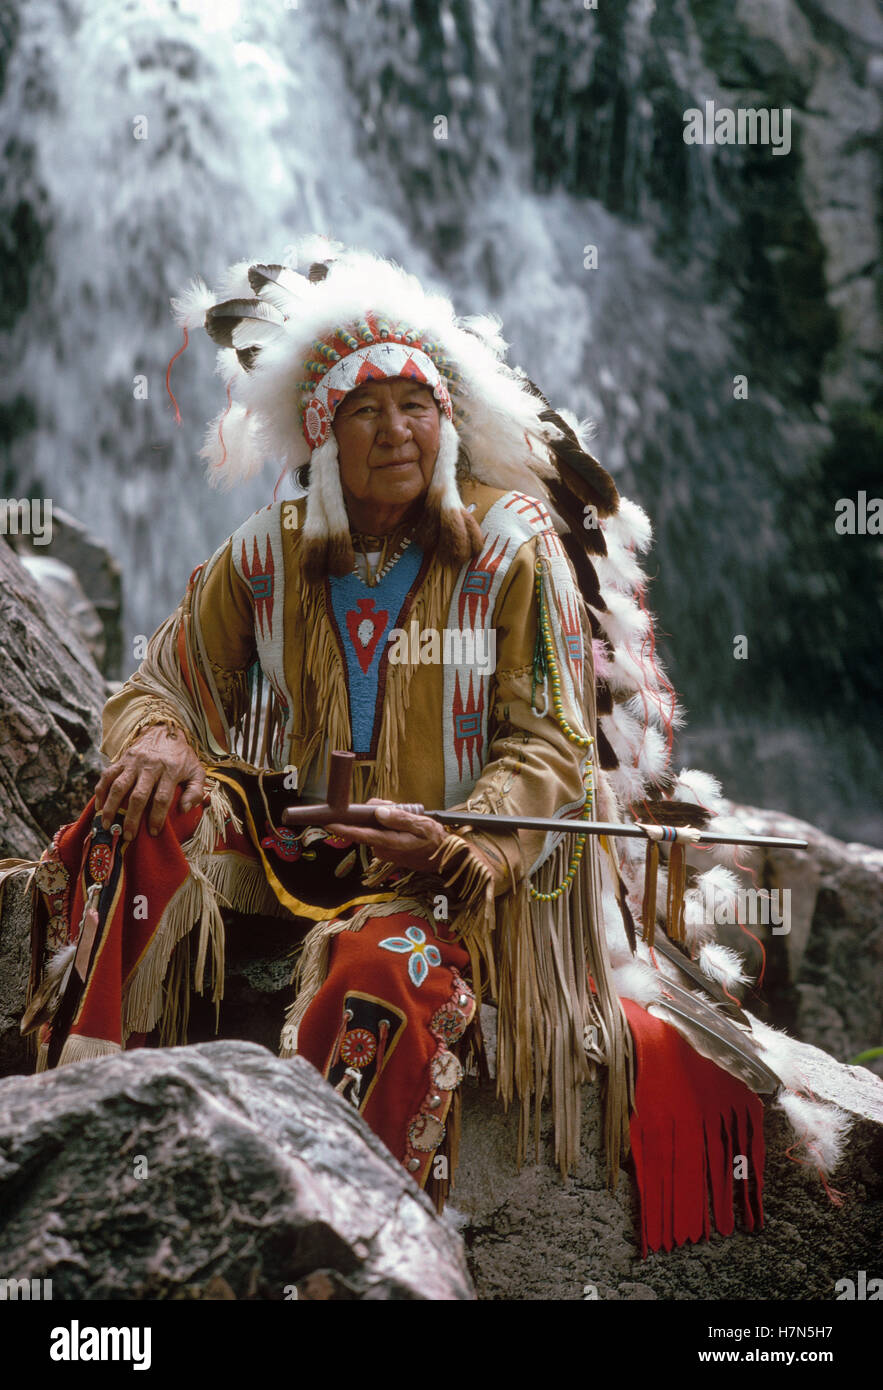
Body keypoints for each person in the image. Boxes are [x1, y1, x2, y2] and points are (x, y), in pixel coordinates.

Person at [20, 237, 798, 1247]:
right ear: (321, 432)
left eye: (416, 405)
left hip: (468, 878)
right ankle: (84, 1122)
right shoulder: (268, 552)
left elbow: (552, 742)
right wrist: (163, 737)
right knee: (131, 816)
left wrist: (463, 847)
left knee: (375, 970)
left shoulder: (510, 546)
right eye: (366, 409)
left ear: (446, 418)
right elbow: (160, 687)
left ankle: (342, 1243)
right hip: (318, 844)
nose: (397, 429)